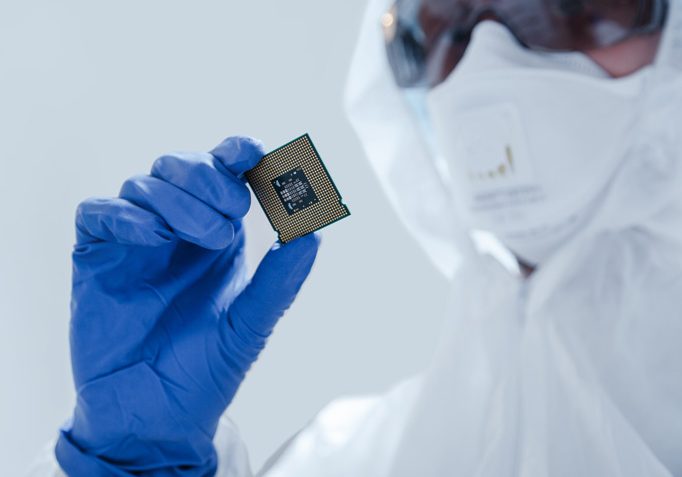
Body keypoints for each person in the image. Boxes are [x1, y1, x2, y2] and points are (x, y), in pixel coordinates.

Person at [29, 0, 682, 475]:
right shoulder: (354, 458)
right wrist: (131, 465)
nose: (483, 68)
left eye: (565, 9)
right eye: (440, 29)